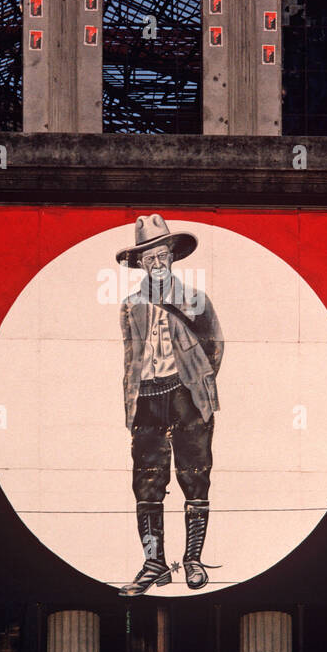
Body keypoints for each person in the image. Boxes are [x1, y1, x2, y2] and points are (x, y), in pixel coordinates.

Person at [116, 214, 224, 596]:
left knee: (195, 475)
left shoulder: (195, 298)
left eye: (161, 255)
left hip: (186, 395)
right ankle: (154, 563)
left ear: (172, 257)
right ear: (141, 264)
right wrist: (131, 398)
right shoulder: (131, 304)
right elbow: (130, 354)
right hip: (147, 395)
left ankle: (193, 560)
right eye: (149, 259)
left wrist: (198, 381)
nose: (156, 263)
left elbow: (215, 345)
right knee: (147, 482)